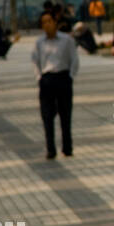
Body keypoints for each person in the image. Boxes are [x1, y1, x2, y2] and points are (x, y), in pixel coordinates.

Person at [31, 10, 78, 159]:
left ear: (55, 23)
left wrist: (70, 77)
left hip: (63, 78)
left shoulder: (67, 40)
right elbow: (35, 61)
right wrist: (39, 78)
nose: (47, 25)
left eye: (49, 21)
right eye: (43, 22)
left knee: (65, 115)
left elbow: (74, 60)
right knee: (47, 116)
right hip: (47, 80)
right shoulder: (39, 43)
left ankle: (67, 147)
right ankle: (50, 149)